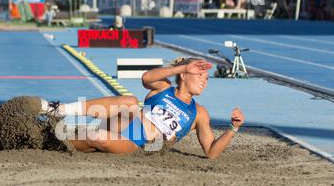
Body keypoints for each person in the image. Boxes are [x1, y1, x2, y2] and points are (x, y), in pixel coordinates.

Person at [37, 58, 245, 158]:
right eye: (199, 75)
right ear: (184, 75)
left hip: (137, 142)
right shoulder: (164, 89)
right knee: (129, 101)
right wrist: (182, 67)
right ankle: (59, 110)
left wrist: (232, 129)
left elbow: (211, 152)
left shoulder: (199, 112)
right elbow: (146, 77)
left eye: (207, 78)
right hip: (124, 121)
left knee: (94, 137)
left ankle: (43, 140)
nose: (204, 81)